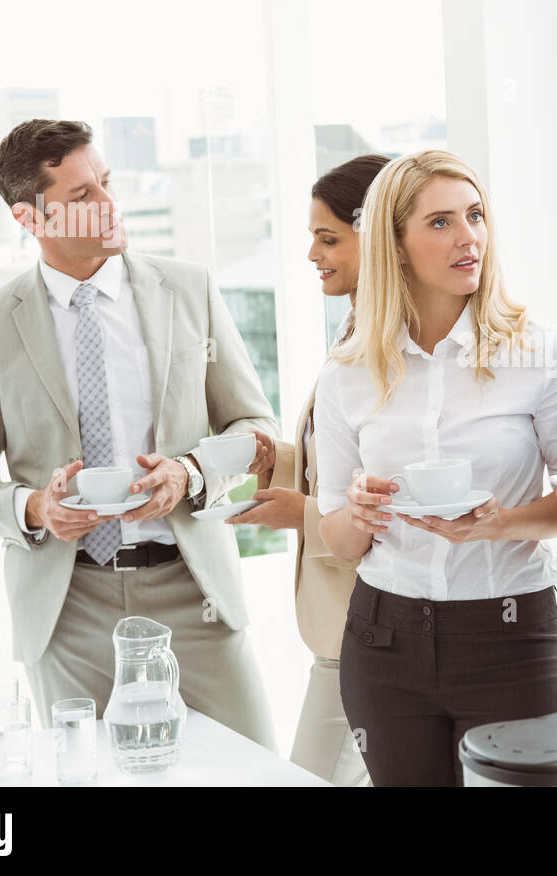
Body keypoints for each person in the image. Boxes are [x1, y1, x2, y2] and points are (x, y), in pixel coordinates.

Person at [0, 119, 278, 748]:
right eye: (81, 196)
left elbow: (256, 426)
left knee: (254, 766)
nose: (109, 205)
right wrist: (34, 507)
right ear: (28, 218)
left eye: (107, 183)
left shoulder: (189, 288)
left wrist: (191, 472)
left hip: (192, 588)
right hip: (68, 607)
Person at [313, 149, 557, 786]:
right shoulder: (346, 374)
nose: (469, 236)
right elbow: (337, 536)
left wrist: (501, 525)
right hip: (383, 642)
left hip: (510, 639)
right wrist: (358, 512)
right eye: (441, 222)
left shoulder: (541, 353)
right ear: (394, 244)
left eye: (475, 215)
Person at [227, 154, 390, 786]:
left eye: (328, 238)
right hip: (346, 625)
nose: (312, 255)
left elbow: (394, 493)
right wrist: (282, 462)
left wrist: (304, 514)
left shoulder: (393, 342)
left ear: (374, 236)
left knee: (311, 776)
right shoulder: (359, 325)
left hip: (372, 622)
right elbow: (347, 459)